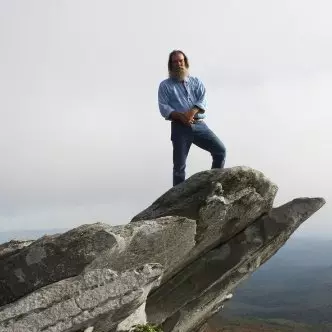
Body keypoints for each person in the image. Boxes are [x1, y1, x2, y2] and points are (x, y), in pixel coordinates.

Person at [158, 50, 226, 186]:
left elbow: (203, 99)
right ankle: (177, 200)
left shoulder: (196, 82)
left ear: (185, 62)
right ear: (170, 65)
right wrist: (180, 116)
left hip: (199, 125)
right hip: (179, 127)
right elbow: (163, 107)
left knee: (220, 151)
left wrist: (192, 111)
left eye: (181, 61)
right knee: (179, 167)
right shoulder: (165, 85)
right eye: (175, 62)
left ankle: (212, 185)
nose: (178, 64)